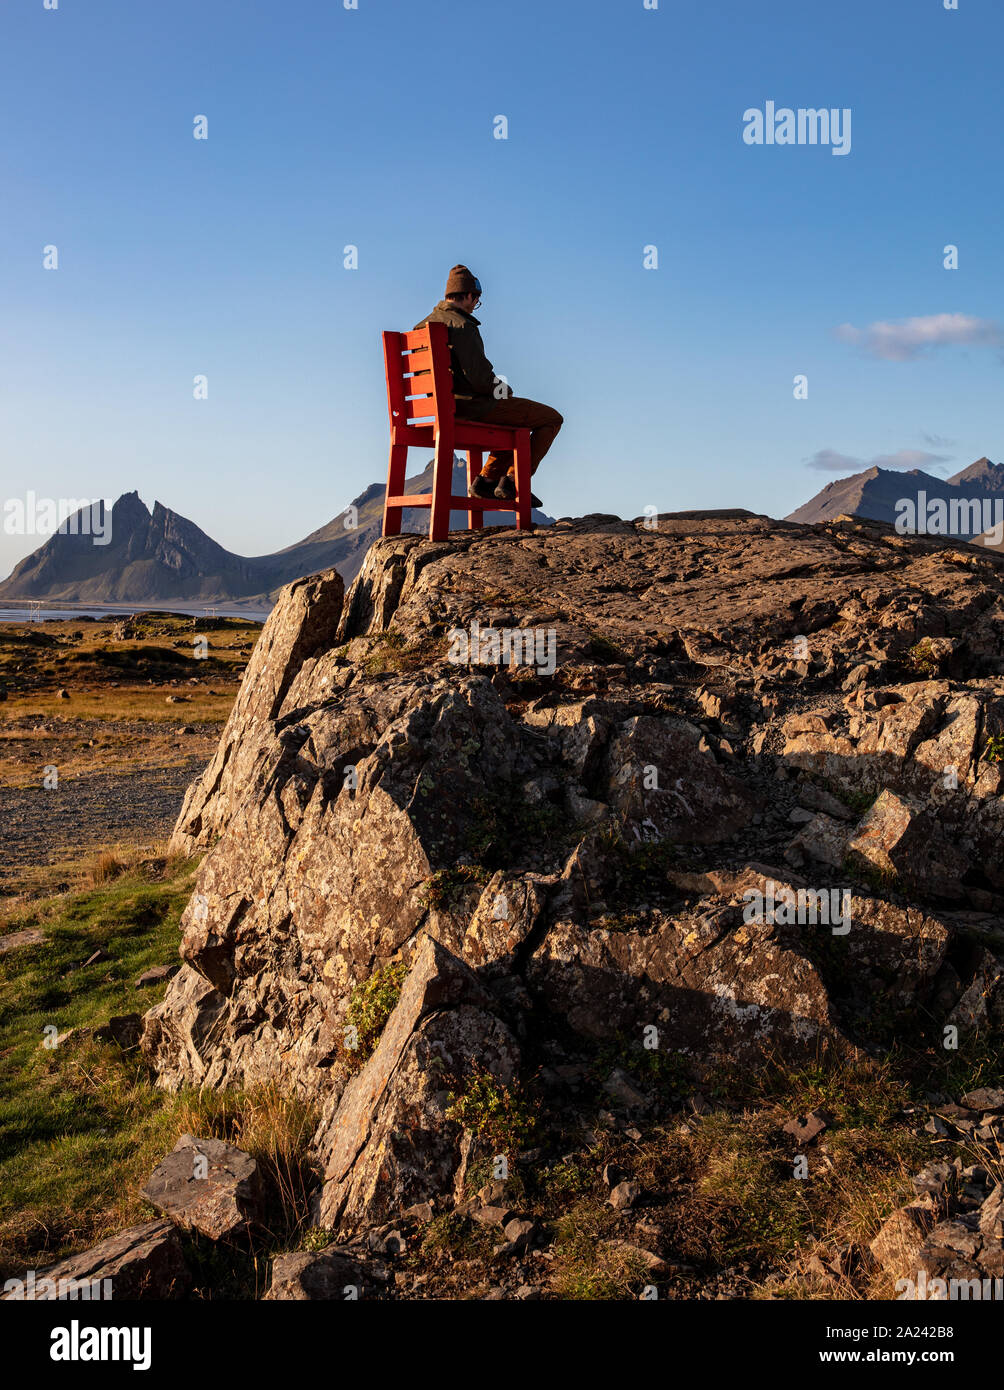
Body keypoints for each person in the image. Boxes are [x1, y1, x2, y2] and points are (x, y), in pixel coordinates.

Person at [414, 265, 562, 506]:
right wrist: (504, 390)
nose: (475, 305)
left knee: (512, 417)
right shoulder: (462, 326)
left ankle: (486, 482)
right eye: (476, 300)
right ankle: (515, 482)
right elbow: (481, 379)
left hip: (430, 410)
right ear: (470, 295)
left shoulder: (421, 326)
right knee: (551, 418)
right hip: (466, 409)